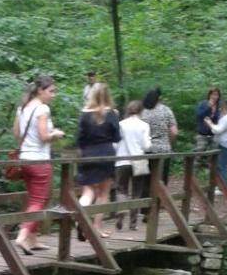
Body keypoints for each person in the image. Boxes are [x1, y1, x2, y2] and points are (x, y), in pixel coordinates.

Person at [13, 74, 65, 254]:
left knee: (33, 198)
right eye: (51, 91)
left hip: (24, 160)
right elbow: (44, 136)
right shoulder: (42, 109)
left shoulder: (23, 107)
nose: (53, 95)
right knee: (38, 200)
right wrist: (56, 134)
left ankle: (33, 239)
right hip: (39, 160)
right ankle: (22, 236)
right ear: (40, 91)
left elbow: (17, 134)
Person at [76, 82, 121, 237]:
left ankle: (80, 219)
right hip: (106, 153)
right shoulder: (111, 113)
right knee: (103, 193)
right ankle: (96, 227)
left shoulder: (84, 113)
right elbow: (117, 137)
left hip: (87, 154)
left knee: (87, 191)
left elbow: (79, 139)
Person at [114, 100, 152, 232]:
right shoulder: (144, 125)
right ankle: (133, 224)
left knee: (121, 189)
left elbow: (115, 144)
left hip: (122, 160)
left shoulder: (120, 124)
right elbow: (147, 146)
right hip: (138, 161)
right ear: (141, 110)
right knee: (137, 192)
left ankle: (121, 209)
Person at [141, 87, 178, 182]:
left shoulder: (143, 112)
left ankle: (147, 195)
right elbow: (174, 132)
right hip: (164, 150)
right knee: (161, 180)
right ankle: (160, 196)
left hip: (147, 150)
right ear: (159, 98)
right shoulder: (166, 110)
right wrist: (169, 143)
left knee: (147, 181)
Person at [206, 98, 227, 189]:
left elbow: (217, 130)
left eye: (221, 108)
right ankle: (221, 185)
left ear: (225, 108)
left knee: (221, 166)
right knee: (222, 165)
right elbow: (218, 129)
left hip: (226, 145)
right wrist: (212, 125)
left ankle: (222, 187)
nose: (219, 110)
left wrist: (209, 123)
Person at [194, 87, 221, 163]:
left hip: (214, 134)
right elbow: (199, 115)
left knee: (213, 157)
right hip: (202, 134)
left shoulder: (220, 105)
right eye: (212, 94)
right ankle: (193, 173)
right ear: (209, 95)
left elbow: (221, 119)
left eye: (216, 94)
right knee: (198, 155)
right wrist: (209, 107)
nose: (214, 96)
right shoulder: (203, 104)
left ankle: (212, 173)